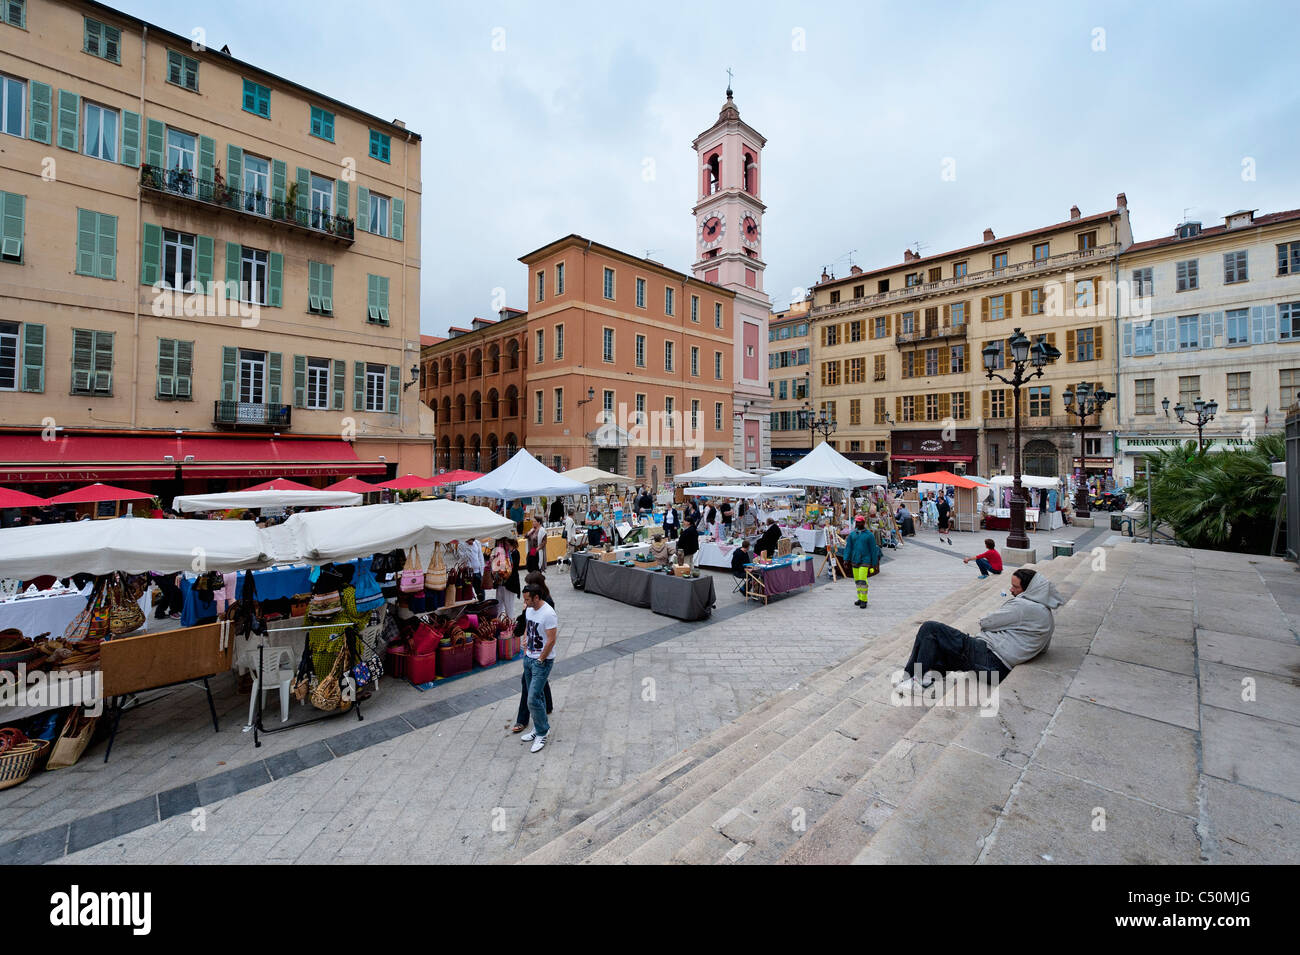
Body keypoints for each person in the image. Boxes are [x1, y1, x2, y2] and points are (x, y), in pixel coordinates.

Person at [897, 568, 1062, 689]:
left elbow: (986, 622)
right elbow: (1044, 648)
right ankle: (929, 673)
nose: (1011, 590)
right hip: (997, 666)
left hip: (991, 660)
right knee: (940, 644)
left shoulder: (1023, 605)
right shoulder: (1046, 613)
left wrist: (993, 631)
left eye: (1016, 588)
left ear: (1029, 589)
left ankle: (913, 677)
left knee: (930, 628)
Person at [518, 583, 557, 753]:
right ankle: (538, 727)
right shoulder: (529, 609)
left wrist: (541, 659)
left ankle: (542, 731)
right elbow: (528, 627)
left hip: (542, 661)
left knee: (532, 698)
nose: (525, 602)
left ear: (536, 597)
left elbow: (551, 640)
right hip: (528, 658)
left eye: (528, 599)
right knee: (537, 696)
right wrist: (525, 643)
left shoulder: (549, 613)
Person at [842, 514, 882, 608]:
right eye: (856, 522)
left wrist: (874, 563)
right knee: (857, 580)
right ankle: (860, 598)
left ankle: (864, 600)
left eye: (859, 522)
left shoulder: (869, 535)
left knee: (862, 580)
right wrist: (846, 559)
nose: (857, 523)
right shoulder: (852, 534)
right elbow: (848, 548)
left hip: (865, 560)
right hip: (855, 559)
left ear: (863, 523)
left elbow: (873, 550)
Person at [492, 536, 520, 618]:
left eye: (507, 544)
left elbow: (513, 570)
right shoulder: (501, 553)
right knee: (498, 606)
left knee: (509, 607)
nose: (506, 546)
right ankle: (498, 624)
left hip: (510, 585)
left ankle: (510, 626)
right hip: (500, 583)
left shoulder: (515, 553)